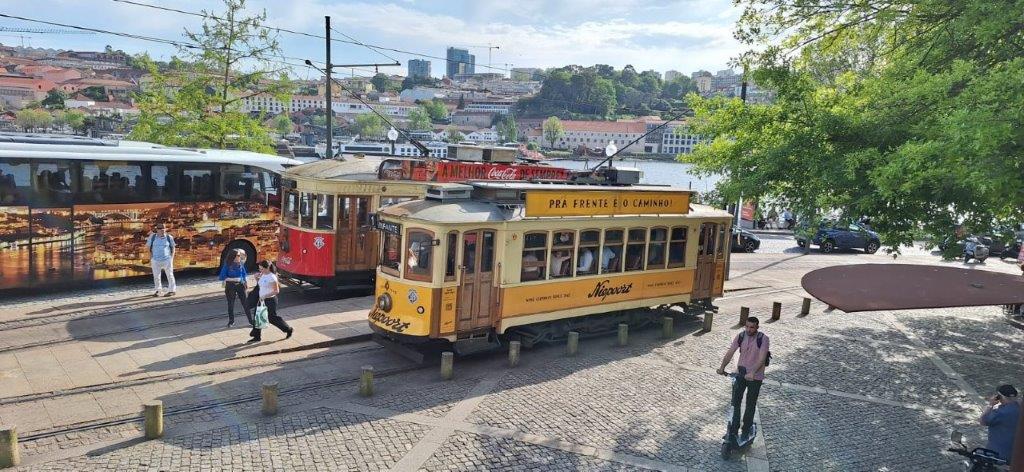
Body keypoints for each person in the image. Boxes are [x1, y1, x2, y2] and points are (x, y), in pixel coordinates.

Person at [717, 317, 770, 440]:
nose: (748, 329)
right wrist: (722, 367)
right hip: (740, 374)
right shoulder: (741, 336)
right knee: (735, 403)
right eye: (747, 326)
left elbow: (762, 359)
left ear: (757, 327)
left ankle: (746, 430)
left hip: (755, 377)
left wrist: (752, 372)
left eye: (752, 327)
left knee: (750, 404)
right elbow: (730, 352)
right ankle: (733, 430)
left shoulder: (763, 339)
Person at [245, 260, 293, 343]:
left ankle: (288, 329)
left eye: (262, 269)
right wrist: (256, 278)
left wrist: (265, 296)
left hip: (270, 300)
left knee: (272, 318)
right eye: (259, 269)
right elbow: (262, 286)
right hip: (262, 300)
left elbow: (276, 291)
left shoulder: (272, 277)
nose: (260, 270)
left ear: (267, 268)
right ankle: (257, 336)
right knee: (257, 316)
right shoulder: (263, 274)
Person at [979, 384, 1020, 462]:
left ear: (1000, 397)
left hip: (997, 452)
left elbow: (982, 421)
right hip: (1015, 451)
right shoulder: (1020, 408)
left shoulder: (1000, 413)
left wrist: (990, 405)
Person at [218, 249, 249, 327]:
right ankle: (231, 321)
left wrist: (246, 282)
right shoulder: (227, 265)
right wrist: (234, 279)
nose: (240, 257)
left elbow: (244, 274)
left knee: (245, 303)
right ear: (233, 256)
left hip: (241, 285)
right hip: (230, 286)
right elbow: (222, 277)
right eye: (238, 255)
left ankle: (251, 321)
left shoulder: (240, 263)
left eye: (240, 255)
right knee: (231, 304)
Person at [147, 223, 175, 297]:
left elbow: (173, 247)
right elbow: (148, 248)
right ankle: (158, 291)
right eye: (160, 229)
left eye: (163, 229)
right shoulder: (152, 237)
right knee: (156, 276)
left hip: (167, 259)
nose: (161, 230)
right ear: (157, 230)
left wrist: (171, 258)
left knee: (170, 275)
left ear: (165, 229)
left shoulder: (169, 237)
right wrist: (151, 258)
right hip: (155, 260)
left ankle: (172, 290)